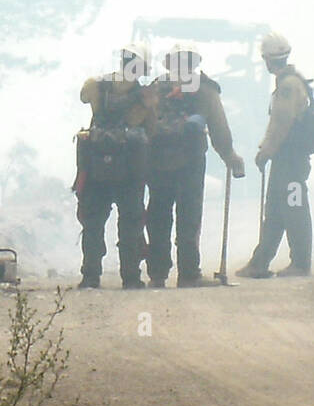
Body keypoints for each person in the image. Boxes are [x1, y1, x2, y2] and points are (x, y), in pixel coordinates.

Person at [145, 43, 245, 288]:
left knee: (158, 214)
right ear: (195, 63)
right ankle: (189, 273)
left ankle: (157, 274)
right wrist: (230, 157)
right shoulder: (205, 89)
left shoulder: (156, 87)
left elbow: (142, 123)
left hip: (157, 161)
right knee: (189, 215)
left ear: (169, 63)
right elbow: (219, 128)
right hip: (190, 161)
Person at [74, 45, 156, 288]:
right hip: (130, 172)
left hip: (96, 168)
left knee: (93, 222)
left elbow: (82, 97)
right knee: (130, 222)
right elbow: (151, 131)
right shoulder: (146, 97)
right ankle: (130, 277)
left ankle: (90, 276)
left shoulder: (95, 86)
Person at [237, 32, 313, 279]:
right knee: (276, 211)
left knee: (294, 209)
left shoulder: (288, 86)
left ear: (269, 60)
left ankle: (300, 263)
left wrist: (265, 152)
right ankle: (260, 263)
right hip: (287, 159)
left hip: (290, 159)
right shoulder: (289, 81)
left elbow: (281, 123)